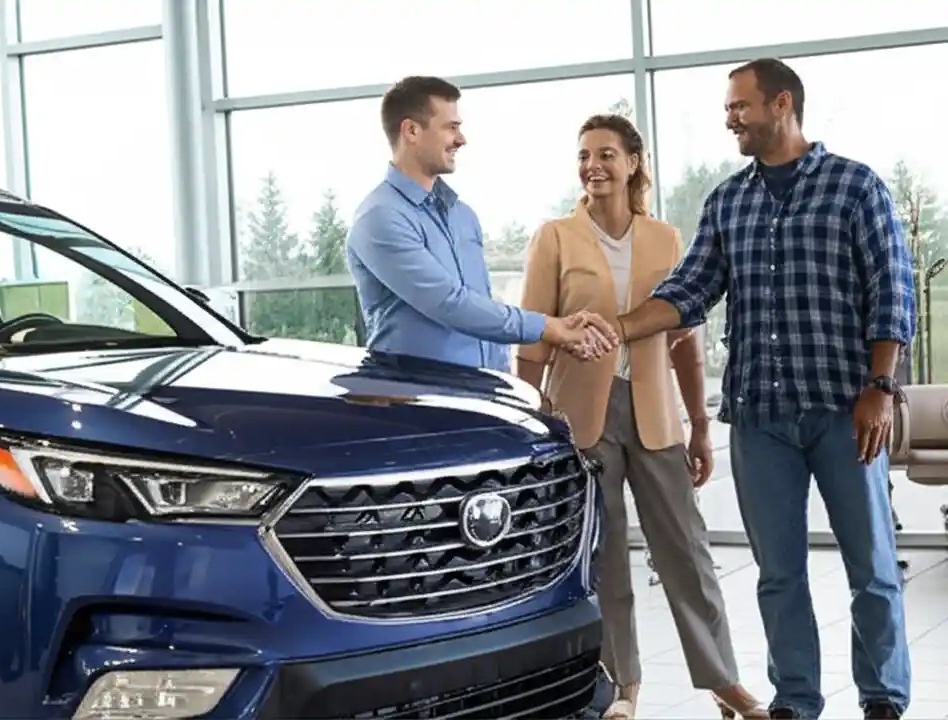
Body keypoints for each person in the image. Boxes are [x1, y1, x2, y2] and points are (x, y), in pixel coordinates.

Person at [614, 58, 915, 719]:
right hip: (760, 416)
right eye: (728, 108)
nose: (731, 119)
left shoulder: (854, 186)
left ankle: (883, 697)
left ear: (782, 104)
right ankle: (796, 699)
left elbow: (892, 289)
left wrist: (880, 384)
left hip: (844, 408)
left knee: (871, 565)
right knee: (779, 573)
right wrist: (620, 327)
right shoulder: (728, 201)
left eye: (739, 106)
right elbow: (690, 288)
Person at [515, 112, 766, 720]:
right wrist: (530, 424)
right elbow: (533, 341)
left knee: (687, 551)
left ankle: (724, 682)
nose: (592, 166)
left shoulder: (666, 240)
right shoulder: (554, 237)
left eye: (605, 154)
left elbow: (684, 341)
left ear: (632, 163)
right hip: (578, 418)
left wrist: (699, 424)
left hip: (655, 414)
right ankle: (621, 686)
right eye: (584, 156)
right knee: (603, 557)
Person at [346, 75, 618, 372]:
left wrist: (505, 381)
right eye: (451, 127)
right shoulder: (379, 218)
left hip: (481, 389)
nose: (461, 139)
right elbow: (449, 304)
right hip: (414, 396)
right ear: (411, 131)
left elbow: (481, 308)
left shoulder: (462, 215)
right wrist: (549, 327)